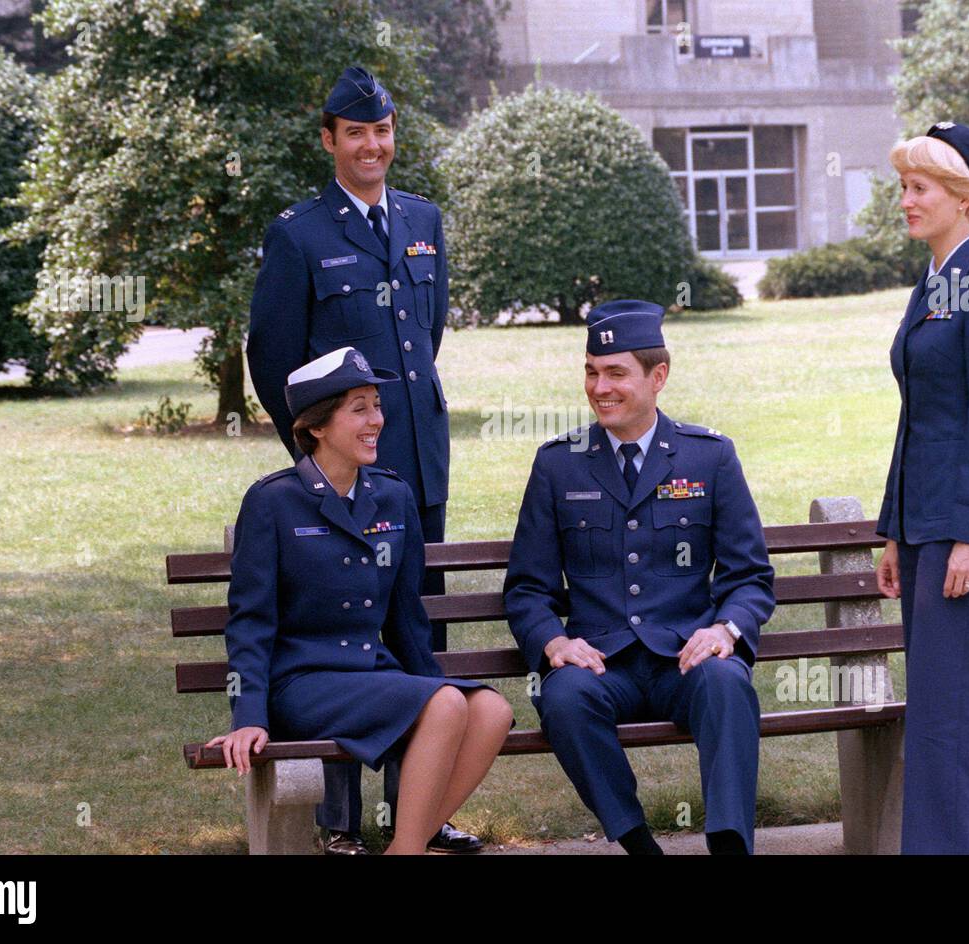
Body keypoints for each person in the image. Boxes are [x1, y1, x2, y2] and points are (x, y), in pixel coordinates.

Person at [246, 66, 474, 853]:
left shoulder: (423, 220)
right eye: (355, 134)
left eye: (382, 131)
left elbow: (425, 337)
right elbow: (274, 357)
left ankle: (422, 810)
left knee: (414, 631)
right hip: (338, 475)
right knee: (341, 633)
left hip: (416, 463)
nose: (372, 145)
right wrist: (319, 468)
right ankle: (340, 823)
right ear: (330, 142)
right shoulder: (299, 235)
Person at [206, 348, 511, 855]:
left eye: (376, 405)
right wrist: (250, 715)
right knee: (447, 704)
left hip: (373, 675)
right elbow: (250, 622)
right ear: (317, 427)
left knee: (492, 712)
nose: (376, 420)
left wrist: (433, 691)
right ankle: (410, 849)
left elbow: (407, 616)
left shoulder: (393, 496)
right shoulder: (273, 501)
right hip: (302, 684)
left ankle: (405, 843)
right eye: (359, 409)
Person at [503, 300, 775, 855]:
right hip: (603, 664)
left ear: (658, 377)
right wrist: (554, 642)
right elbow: (527, 587)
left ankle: (729, 845)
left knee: (728, 683)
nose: (599, 386)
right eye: (590, 371)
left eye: (615, 373)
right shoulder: (559, 463)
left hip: (685, 658)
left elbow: (749, 575)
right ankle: (637, 843)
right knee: (564, 699)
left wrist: (726, 630)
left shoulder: (709, 457)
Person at [874, 122, 969, 855]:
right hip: (924, 521)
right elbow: (920, 415)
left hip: (965, 524)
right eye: (903, 187)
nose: (904, 200)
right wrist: (892, 527)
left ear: (962, 198)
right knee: (958, 696)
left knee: (941, 705)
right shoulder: (933, 283)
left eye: (919, 188)